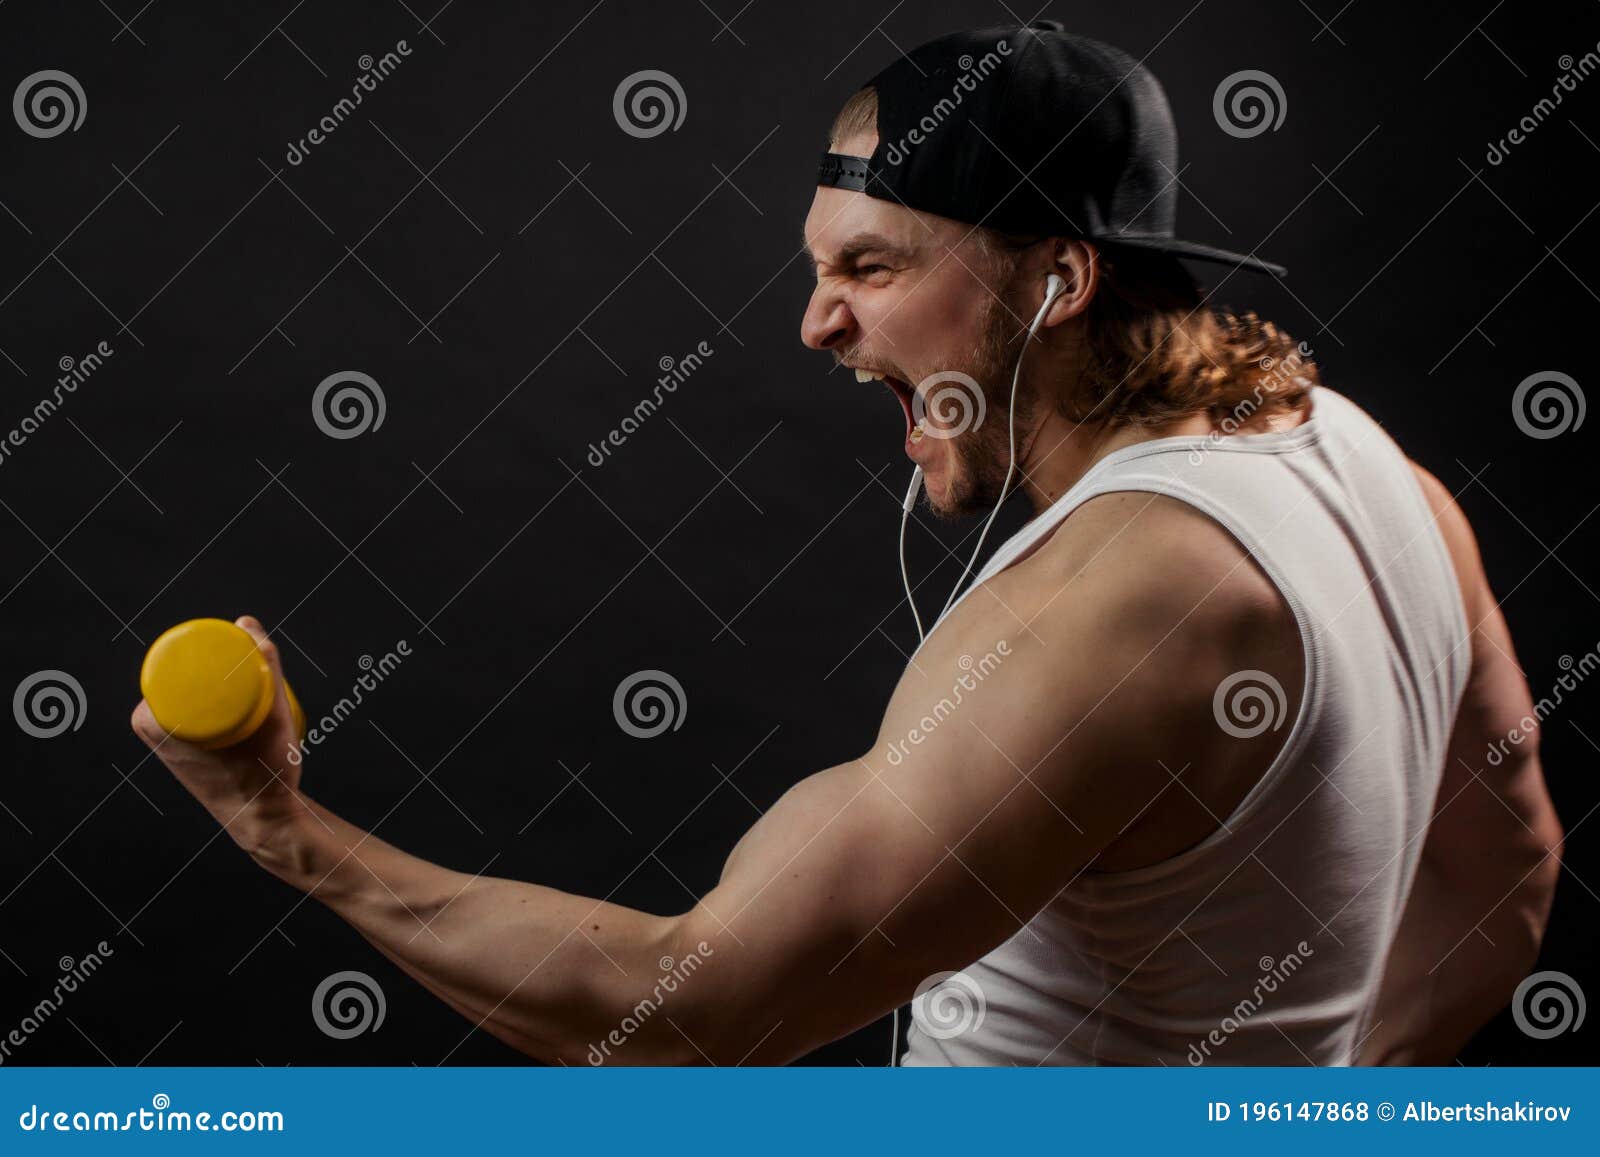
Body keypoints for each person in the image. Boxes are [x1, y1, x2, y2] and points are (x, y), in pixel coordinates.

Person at [132, 22, 1562, 1066]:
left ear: (1059, 277)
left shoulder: (1122, 600)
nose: (816, 325)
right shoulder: (1370, 468)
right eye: (822, 267)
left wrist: (285, 829)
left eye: (871, 267)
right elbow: (1509, 870)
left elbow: (686, 1009)